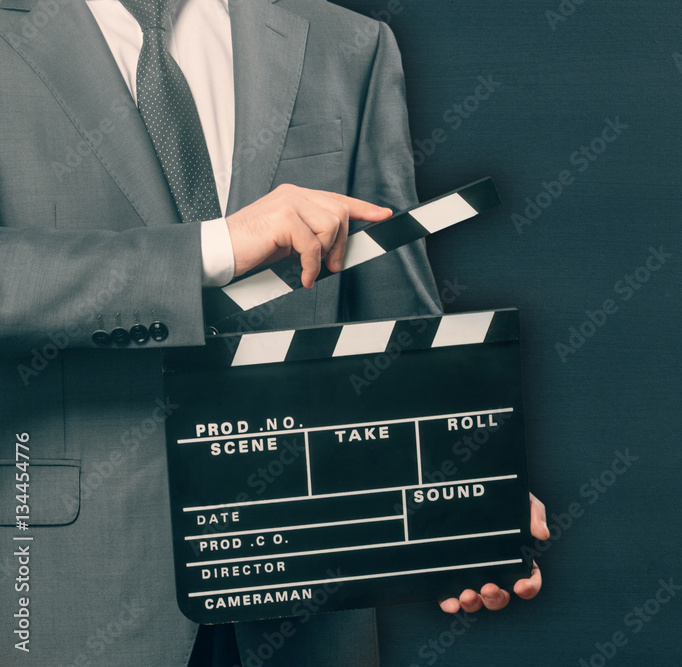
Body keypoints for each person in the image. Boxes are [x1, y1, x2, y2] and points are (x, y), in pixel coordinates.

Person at [0, 0, 547, 663]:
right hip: (71, 583)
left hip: (307, 589)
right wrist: (217, 247)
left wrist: (463, 494)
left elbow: (395, 319)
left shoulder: (349, 43)